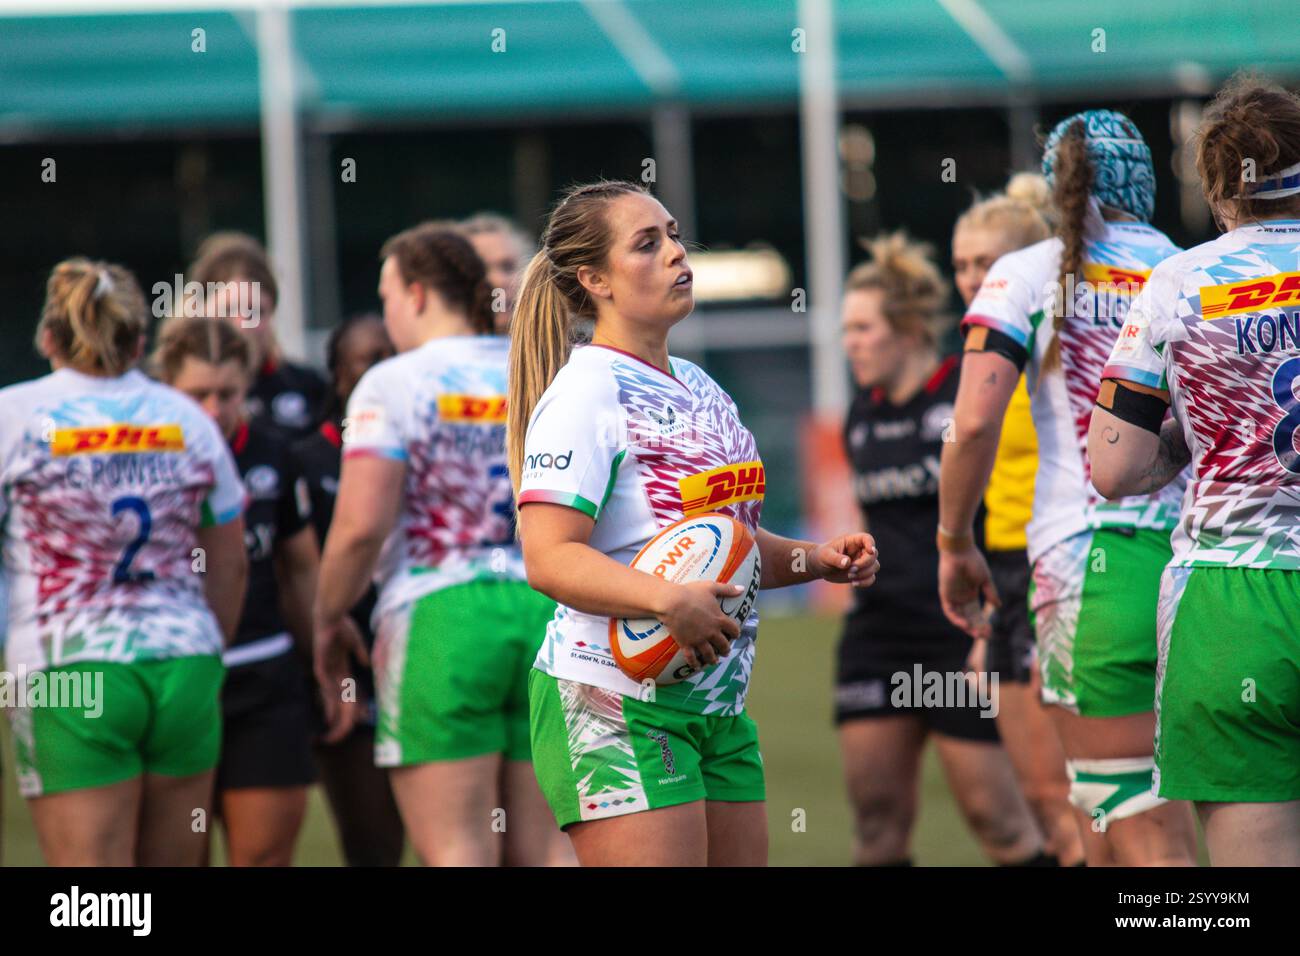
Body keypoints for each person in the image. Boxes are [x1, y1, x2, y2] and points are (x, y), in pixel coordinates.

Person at [507, 180, 879, 867]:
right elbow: (549, 558)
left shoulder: (703, 386)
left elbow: (725, 548)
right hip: (614, 699)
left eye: (675, 235)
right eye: (648, 244)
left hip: (716, 708)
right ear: (596, 280)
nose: (678, 253)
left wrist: (815, 560)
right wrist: (665, 600)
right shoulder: (587, 391)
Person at [937, 110, 1198, 865]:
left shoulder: (1024, 272)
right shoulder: (1191, 266)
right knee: (1181, 821)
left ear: (1056, 186)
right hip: (1202, 564)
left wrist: (954, 541)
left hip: (1091, 568)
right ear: (1144, 178)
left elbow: (974, 422)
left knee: (1126, 827)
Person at [1088, 75, 1300, 866]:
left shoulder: (1179, 281)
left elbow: (1114, 466)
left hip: (1229, 602)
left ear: (1220, 192)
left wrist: (1195, 439)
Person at [314, 223, 558, 866]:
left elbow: (361, 528)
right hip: (549, 610)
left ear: (416, 294)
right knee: (553, 852)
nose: (386, 310)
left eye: (387, 293)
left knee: (456, 849)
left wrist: (327, 616)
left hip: (440, 617)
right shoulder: (536, 370)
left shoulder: (392, 384)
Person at [0, 259, 247, 866]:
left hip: (72, 667)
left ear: (48, 338)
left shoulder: (15, 414)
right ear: (140, 342)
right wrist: (209, 645)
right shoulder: (188, 418)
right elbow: (231, 561)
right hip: (182, 661)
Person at [836, 232, 1044, 866]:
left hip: (959, 633)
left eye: (864, 328)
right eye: (846, 329)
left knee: (999, 823)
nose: (851, 343)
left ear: (906, 329)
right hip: (878, 637)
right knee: (876, 825)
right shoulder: (859, 415)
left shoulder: (967, 388)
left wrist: (999, 621)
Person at [152, 316, 319, 866]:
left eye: (228, 394)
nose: (213, 410)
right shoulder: (143, 459)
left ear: (249, 386)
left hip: (263, 678)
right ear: (165, 386)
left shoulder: (273, 452)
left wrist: (322, 663)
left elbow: (300, 571)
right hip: (174, 680)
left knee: (263, 858)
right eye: (196, 394)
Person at [951, 175, 1084, 866]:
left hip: (1051, 566)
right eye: (962, 265)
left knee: (1077, 807)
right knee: (1040, 801)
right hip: (1003, 572)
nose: (973, 277)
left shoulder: (1058, 344)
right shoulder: (981, 350)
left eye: (988, 263)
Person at [289, 313, 405, 866]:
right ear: (339, 376)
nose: (386, 370)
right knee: (373, 845)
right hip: (349, 668)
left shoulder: (423, 437)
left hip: (429, 645)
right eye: (369, 361)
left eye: (393, 355)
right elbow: (300, 570)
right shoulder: (307, 457)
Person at [188, 232, 329, 439]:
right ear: (199, 311)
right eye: (228, 310)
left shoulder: (309, 388)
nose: (242, 325)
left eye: (256, 312)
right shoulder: (170, 393)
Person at [460, 213, 535, 334]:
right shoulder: (433, 351)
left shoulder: (567, 350)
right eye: (481, 270)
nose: (498, 281)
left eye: (508, 267)